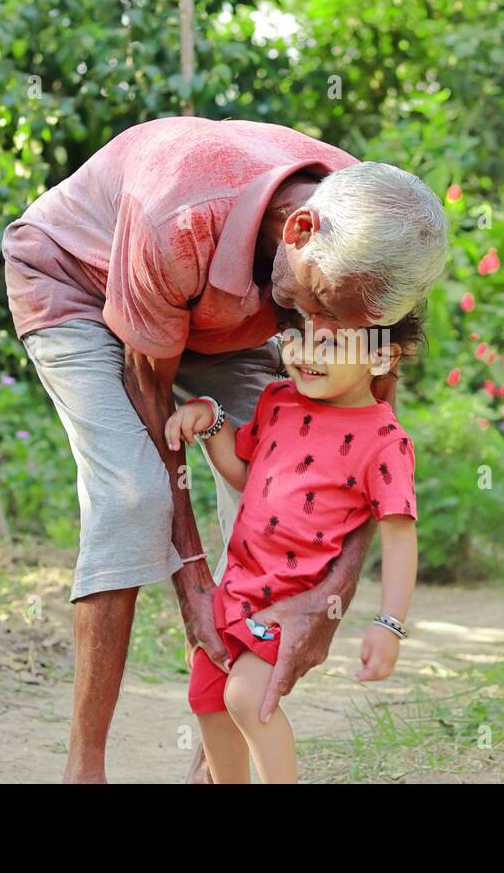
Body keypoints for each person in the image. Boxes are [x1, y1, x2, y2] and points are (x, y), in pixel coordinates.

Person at [1, 117, 448, 782]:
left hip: (226, 316)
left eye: (347, 327)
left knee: (284, 491)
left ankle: (218, 763)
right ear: (298, 232)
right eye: (321, 308)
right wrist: (195, 584)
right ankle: (84, 765)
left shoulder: (369, 220)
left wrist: (333, 597)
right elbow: (150, 390)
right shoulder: (176, 217)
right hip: (82, 287)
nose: (322, 336)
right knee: (133, 495)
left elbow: (364, 442)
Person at [166, 316, 422, 782]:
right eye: (297, 336)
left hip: (289, 598)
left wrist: (389, 624)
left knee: (246, 697)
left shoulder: (384, 441)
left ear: (381, 356)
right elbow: (248, 476)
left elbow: (400, 536)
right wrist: (211, 420)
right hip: (238, 583)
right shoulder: (279, 401)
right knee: (207, 696)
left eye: (328, 342)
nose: (305, 352)